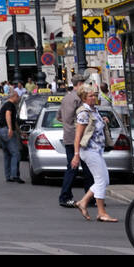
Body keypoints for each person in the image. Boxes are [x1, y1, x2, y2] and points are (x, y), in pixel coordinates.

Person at [71, 84, 118, 222]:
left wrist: (103, 121)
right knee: (101, 180)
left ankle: (83, 202)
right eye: (90, 96)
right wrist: (76, 154)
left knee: (104, 180)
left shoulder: (94, 110)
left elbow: (94, 126)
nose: (94, 97)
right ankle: (101, 212)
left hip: (97, 150)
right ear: (84, 98)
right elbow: (78, 136)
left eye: (95, 95)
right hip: (89, 150)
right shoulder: (83, 112)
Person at [56, 75, 86, 208]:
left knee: (84, 168)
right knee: (74, 167)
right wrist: (77, 126)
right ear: (79, 84)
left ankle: (90, 197)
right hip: (77, 137)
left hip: (70, 136)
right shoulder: (77, 98)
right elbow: (69, 118)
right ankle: (65, 196)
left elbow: (59, 117)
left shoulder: (66, 98)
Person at [0, 88, 23, 182]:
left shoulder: (5, 104)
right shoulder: (10, 105)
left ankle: (8, 176)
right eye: (18, 96)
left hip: (0, 130)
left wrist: (19, 131)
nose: (19, 98)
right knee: (15, 153)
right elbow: (8, 115)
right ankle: (14, 175)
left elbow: (13, 120)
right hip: (6, 130)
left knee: (7, 154)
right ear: (14, 96)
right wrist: (10, 128)